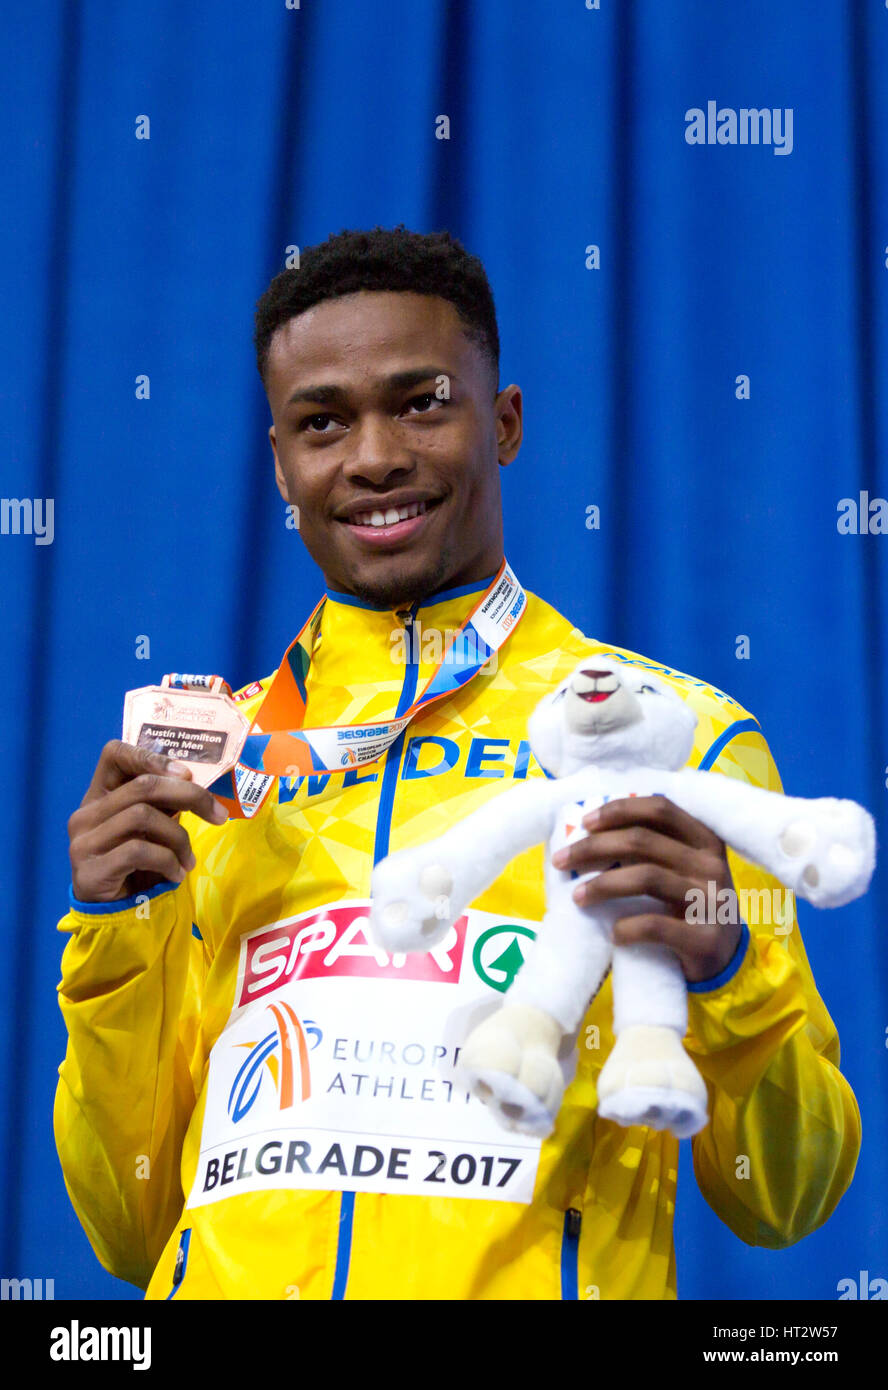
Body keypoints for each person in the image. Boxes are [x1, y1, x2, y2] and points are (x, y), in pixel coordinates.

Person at [55, 227, 860, 1300]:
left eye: (422, 401)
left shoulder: (676, 739)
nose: (374, 454)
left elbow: (787, 1198)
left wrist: (727, 972)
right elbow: (127, 1225)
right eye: (323, 421)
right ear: (282, 461)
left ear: (507, 423)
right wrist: (112, 942)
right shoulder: (213, 772)